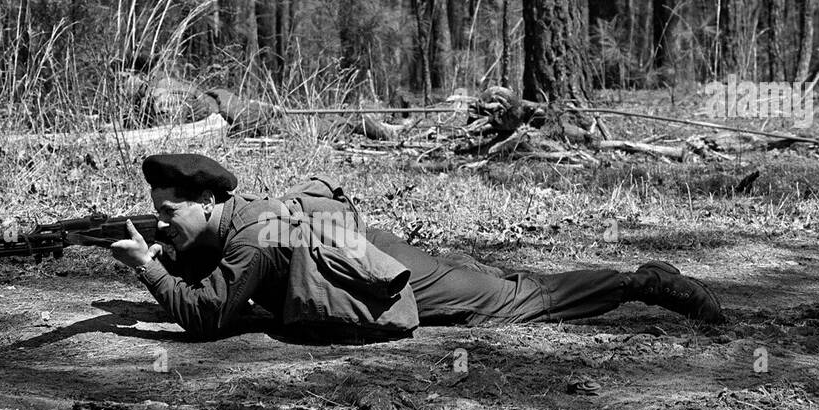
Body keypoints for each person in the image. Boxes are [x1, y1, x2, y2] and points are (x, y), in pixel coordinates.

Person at [106, 153, 724, 342]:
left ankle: (639, 282)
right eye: (158, 212)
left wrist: (149, 270)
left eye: (170, 212)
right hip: (348, 260)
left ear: (210, 202)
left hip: (374, 268)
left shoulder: (253, 230)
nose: (163, 221)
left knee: (512, 302)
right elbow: (205, 278)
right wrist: (166, 254)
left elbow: (208, 318)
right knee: (486, 285)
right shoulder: (225, 226)